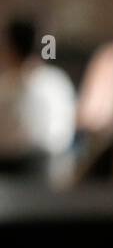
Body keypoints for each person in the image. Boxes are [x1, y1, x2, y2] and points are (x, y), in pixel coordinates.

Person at [0, 16, 77, 180]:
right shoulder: (59, 82)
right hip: (58, 172)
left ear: (9, 47)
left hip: (10, 173)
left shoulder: (5, 88)